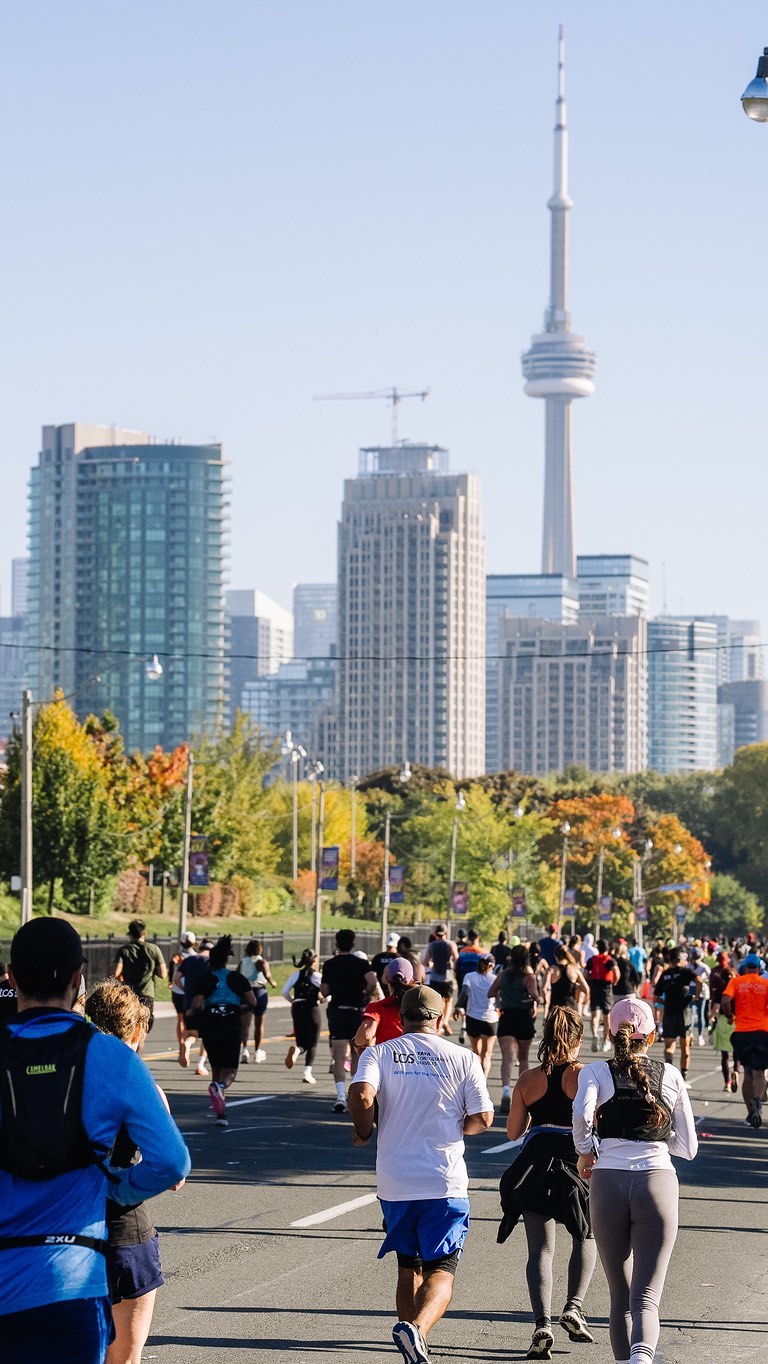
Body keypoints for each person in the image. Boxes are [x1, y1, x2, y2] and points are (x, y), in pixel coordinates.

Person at [0, 919, 189, 1364]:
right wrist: (116, 1187)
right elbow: (171, 1163)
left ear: (11, 976)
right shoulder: (110, 1057)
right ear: (77, 978)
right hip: (73, 1282)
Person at [349, 984, 493, 1364]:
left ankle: (411, 1349)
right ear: (439, 1018)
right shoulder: (463, 1057)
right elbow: (483, 1117)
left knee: (406, 1266)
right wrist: (459, 1128)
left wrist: (363, 1131)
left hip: (395, 1180)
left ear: (401, 1017)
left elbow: (361, 1094)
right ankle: (418, 1329)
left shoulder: (379, 1053)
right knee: (442, 1268)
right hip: (443, 1179)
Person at [573, 996, 697, 1364]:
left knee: (620, 1297)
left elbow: (581, 1114)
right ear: (652, 1036)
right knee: (646, 1298)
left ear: (611, 1034)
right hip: (657, 1181)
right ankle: (642, 1359)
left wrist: (586, 1149)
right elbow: (688, 1147)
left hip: (608, 1182)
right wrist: (657, 1140)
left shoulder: (595, 1072)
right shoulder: (670, 1075)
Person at [500, 1006, 596, 1361]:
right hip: (575, 1163)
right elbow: (597, 1124)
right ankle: (573, 1306)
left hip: (536, 1164)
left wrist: (537, 1116)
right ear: (578, 1038)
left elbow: (513, 1132)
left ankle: (542, 1324)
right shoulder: (586, 1076)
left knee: (540, 1250)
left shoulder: (528, 1079)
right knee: (585, 1235)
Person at [86, 980, 165, 1364]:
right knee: (124, 1359)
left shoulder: (61, 1079)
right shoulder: (142, 1086)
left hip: (62, 1228)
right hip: (123, 1233)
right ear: (135, 1032)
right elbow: (172, 1170)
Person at [192, 935, 258, 1127]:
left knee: (216, 1068)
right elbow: (252, 1001)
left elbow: (196, 1005)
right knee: (230, 1071)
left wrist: (195, 1010)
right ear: (226, 959)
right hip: (231, 1025)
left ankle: (221, 1114)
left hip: (210, 1025)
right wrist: (242, 1008)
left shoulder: (205, 979)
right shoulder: (237, 978)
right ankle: (220, 1088)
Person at [321, 929, 379, 1113]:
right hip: (356, 1012)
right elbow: (372, 982)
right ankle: (354, 1095)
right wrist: (365, 995)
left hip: (337, 1012)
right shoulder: (361, 963)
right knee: (357, 1054)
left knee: (339, 1056)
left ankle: (340, 1096)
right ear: (353, 945)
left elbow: (324, 991)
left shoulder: (329, 964)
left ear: (336, 944)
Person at [489, 943, 539, 1113]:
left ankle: (505, 1091)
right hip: (523, 1017)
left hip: (507, 1017)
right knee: (523, 1058)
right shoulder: (529, 976)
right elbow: (535, 995)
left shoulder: (503, 974)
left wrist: (502, 996)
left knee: (507, 1058)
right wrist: (536, 998)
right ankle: (521, 1094)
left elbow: (490, 992)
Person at [721, 952, 768, 1127]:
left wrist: (729, 1015)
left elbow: (725, 1001)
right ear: (759, 969)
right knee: (759, 1072)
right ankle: (758, 1099)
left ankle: (750, 1113)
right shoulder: (765, 984)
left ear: (745, 968)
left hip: (742, 1033)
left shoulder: (736, 982)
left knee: (747, 1072)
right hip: (762, 1032)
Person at [111, 920, 167, 1039]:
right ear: (144, 933)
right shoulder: (153, 949)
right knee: (142, 1026)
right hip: (147, 993)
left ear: (129, 934)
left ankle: (130, 1046)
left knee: (128, 1024)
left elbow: (115, 972)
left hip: (129, 993)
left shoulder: (124, 950)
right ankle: (139, 1047)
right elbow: (163, 974)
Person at [654, 947, 699, 1085]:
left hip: (669, 1012)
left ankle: (669, 1073)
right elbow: (700, 980)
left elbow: (656, 996)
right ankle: (683, 1077)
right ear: (681, 958)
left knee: (669, 1046)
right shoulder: (686, 971)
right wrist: (695, 996)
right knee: (685, 1047)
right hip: (684, 1013)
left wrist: (666, 1003)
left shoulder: (666, 973)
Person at [282, 949, 324, 1085]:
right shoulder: (317, 976)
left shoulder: (296, 975)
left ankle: (296, 1051)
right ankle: (307, 1072)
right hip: (312, 1008)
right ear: (314, 960)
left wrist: (292, 1001)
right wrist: (322, 1000)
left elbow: (284, 991)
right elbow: (327, 994)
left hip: (297, 1008)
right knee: (313, 1043)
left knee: (302, 1042)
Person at [354, 957, 414, 1050]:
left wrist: (356, 1044)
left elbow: (366, 1034)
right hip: (413, 1056)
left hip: (387, 1056)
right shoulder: (420, 1005)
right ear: (411, 980)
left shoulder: (377, 1007)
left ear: (386, 979)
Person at [174, 938, 212, 1077]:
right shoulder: (211, 962)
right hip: (206, 1003)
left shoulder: (188, 960)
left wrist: (185, 990)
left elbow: (176, 979)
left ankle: (187, 1044)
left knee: (191, 1033)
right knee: (207, 1035)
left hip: (188, 1002)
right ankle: (200, 1065)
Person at [462, 953, 499, 1077]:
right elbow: (500, 998)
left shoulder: (469, 976)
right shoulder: (494, 979)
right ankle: (483, 1081)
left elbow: (464, 993)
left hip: (473, 1017)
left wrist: (458, 1006)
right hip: (491, 1019)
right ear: (492, 965)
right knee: (487, 1053)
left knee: (476, 1052)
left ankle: (476, 1080)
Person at [238, 938, 275, 1063]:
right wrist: (272, 982)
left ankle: (244, 1050)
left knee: (245, 1024)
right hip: (259, 991)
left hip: (245, 992)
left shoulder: (243, 961)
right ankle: (257, 1051)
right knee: (259, 1023)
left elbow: (237, 974)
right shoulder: (260, 961)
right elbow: (267, 974)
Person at [421, 926, 458, 1036]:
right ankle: (445, 1021)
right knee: (449, 1000)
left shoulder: (432, 945)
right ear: (446, 933)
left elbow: (425, 962)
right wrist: (454, 968)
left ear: (436, 934)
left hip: (434, 977)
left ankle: (438, 1023)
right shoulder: (451, 944)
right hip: (447, 976)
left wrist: (432, 964)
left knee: (437, 1001)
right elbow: (456, 958)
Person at [169, 931, 198, 1067]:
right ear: (194, 943)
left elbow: (171, 968)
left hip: (177, 990)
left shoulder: (177, 955)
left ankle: (181, 1045)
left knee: (180, 1019)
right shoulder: (196, 957)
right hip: (190, 991)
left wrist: (170, 981)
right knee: (189, 1020)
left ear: (181, 942)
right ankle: (187, 1042)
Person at [586, 939, 619, 1053]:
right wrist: (615, 981)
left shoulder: (592, 960)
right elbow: (616, 972)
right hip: (606, 988)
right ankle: (605, 1041)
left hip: (595, 986)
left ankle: (595, 1034)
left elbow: (585, 973)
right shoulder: (610, 960)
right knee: (607, 1016)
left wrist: (590, 979)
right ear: (607, 948)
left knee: (595, 1015)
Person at [547, 947, 589, 1013]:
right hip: (570, 1006)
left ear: (555, 956)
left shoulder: (551, 970)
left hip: (555, 1007)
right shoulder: (574, 969)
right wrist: (575, 986)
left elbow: (543, 988)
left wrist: (545, 1000)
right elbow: (586, 989)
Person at [689, 947, 711, 1046]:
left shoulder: (689, 966)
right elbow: (710, 977)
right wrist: (704, 979)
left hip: (691, 989)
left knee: (692, 1013)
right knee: (700, 1014)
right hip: (701, 989)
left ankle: (690, 1033)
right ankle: (700, 1036)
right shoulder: (704, 966)